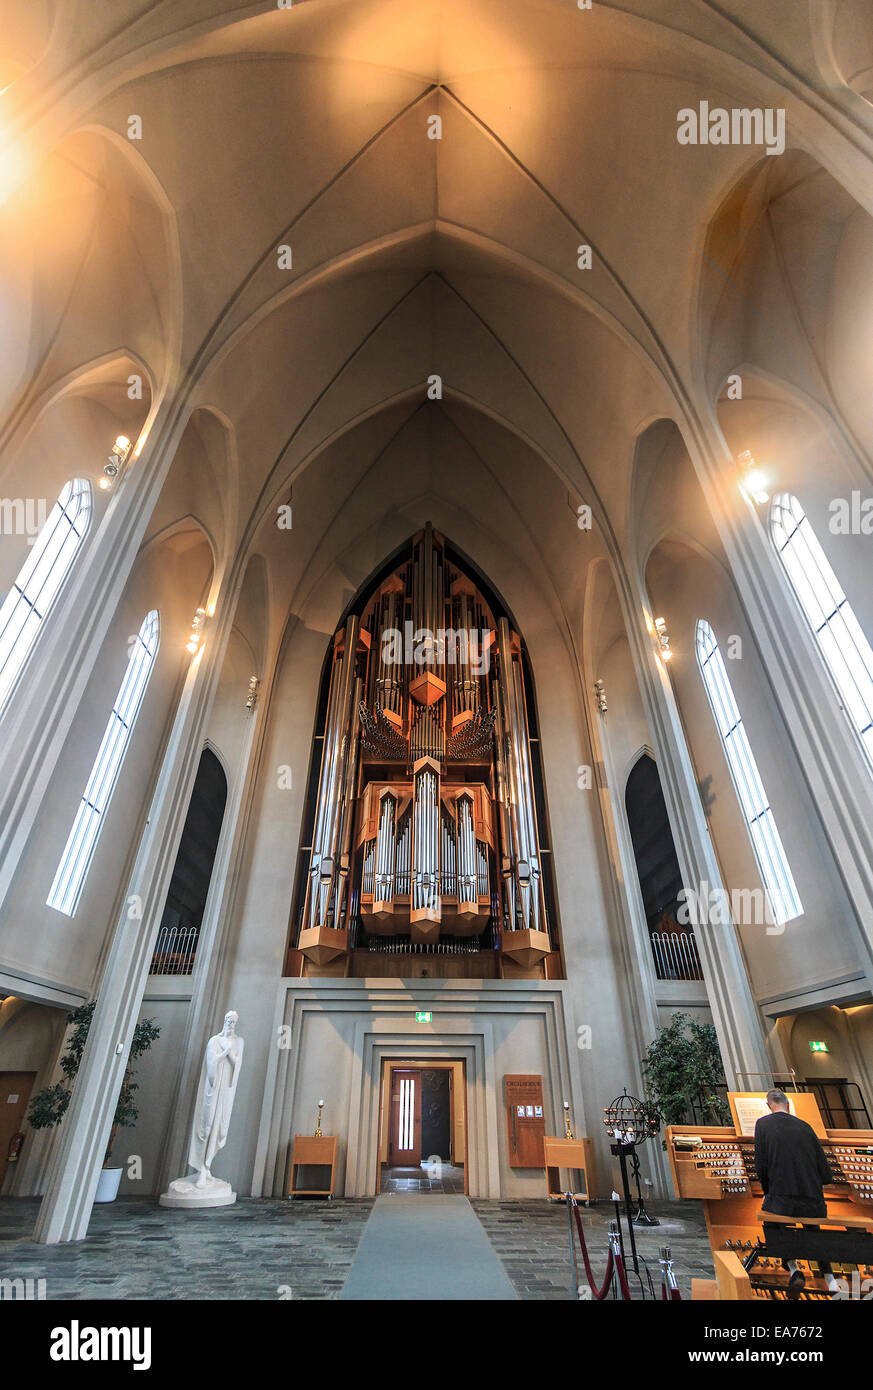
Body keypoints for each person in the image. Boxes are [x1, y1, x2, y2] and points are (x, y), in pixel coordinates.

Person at [754, 1089, 835, 1296]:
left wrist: (767, 1190)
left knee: (773, 1224)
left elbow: (761, 1164)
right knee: (814, 1230)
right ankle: (829, 1277)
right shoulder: (806, 1126)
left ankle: (792, 1267)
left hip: (782, 1198)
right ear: (787, 1104)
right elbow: (824, 1170)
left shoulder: (763, 1125)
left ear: (768, 1105)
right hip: (812, 1199)